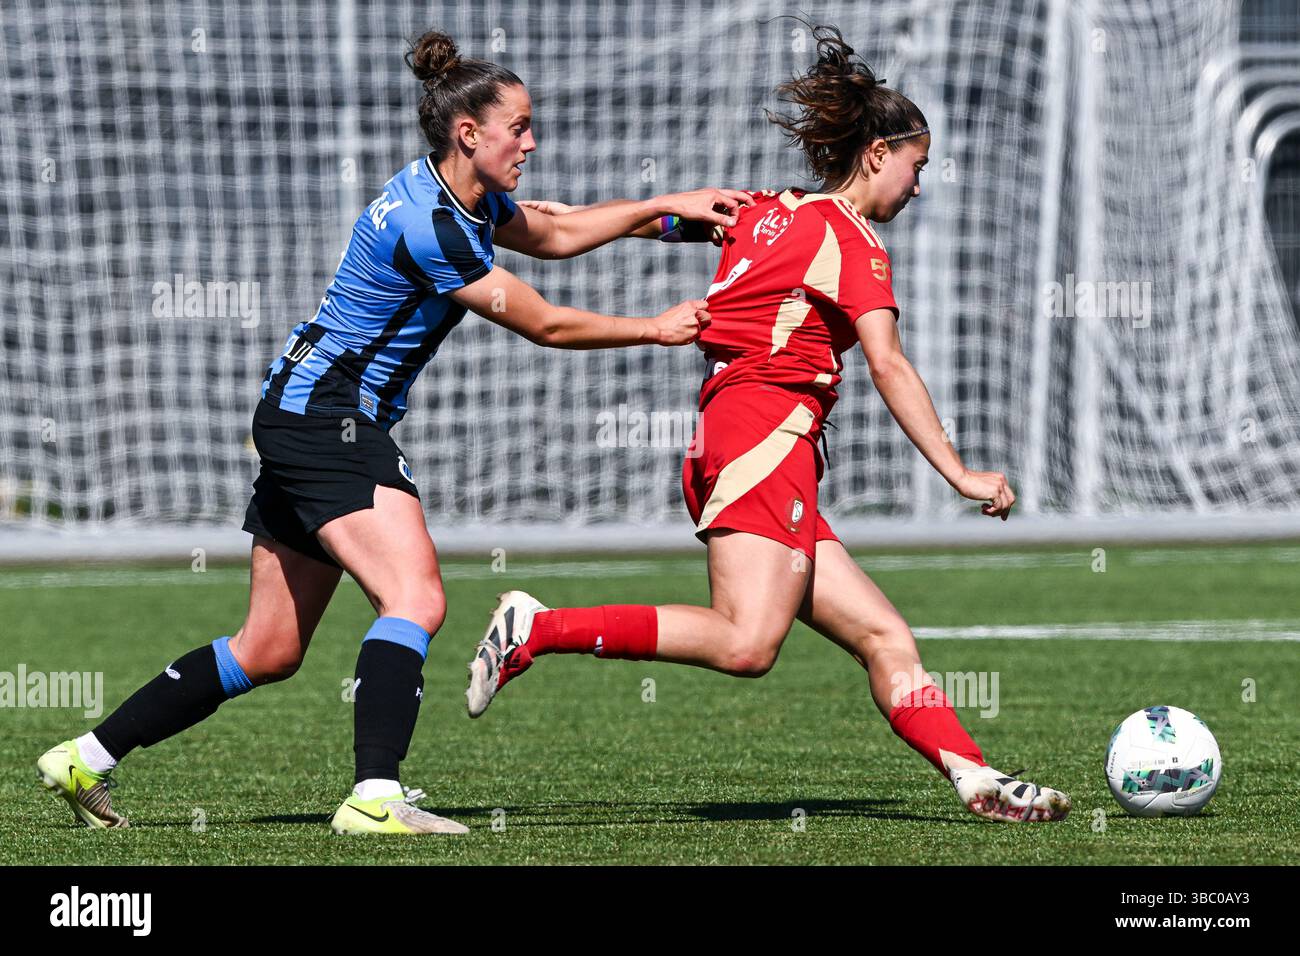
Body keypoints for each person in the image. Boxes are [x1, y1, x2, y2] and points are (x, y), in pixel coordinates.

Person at [36, 28, 754, 835]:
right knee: (414, 596)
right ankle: (375, 797)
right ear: (468, 133)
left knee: (268, 647)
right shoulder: (433, 228)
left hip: (301, 412)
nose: (532, 141)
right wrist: (653, 329)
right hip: (328, 419)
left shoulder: (450, 195)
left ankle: (85, 757)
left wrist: (667, 206)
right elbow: (545, 325)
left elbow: (554, 234)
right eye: (518, 126)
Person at [465, 23, 1071, 823]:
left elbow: (659, 222)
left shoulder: (763, 210)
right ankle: (539, 626)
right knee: (747, 643)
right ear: (878, 153)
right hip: (763, 439)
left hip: (739, 439)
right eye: (916, 168)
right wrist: (960, 473)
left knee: (885, 637)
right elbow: (889, 364)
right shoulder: (854, 243)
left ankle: (975, 778)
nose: (918, 188)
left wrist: (577, 212)